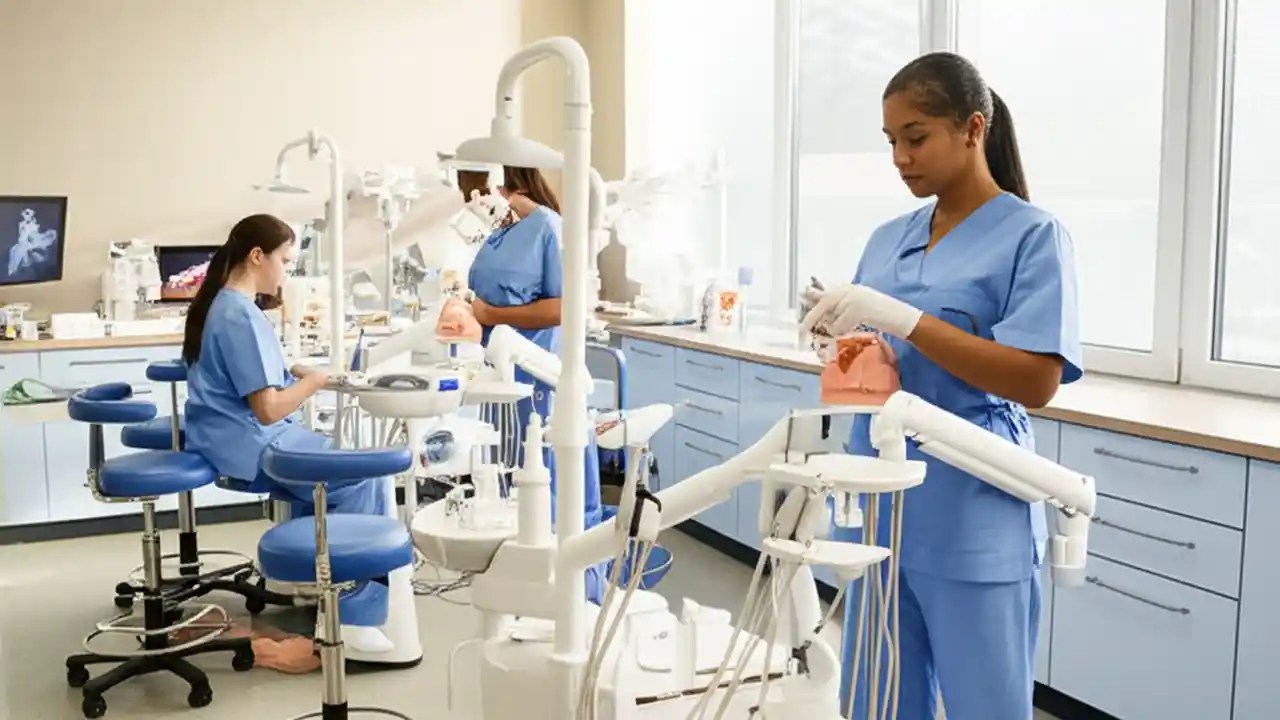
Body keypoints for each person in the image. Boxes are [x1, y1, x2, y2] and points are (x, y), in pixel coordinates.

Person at [801, 52, 1083, 720]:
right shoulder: (886, 240)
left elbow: (1036, 378)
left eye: (916, 136)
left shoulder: (1032, 237)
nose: (901, 157)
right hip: (883, 501)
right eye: (891, 141)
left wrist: (908, 320)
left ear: (973, 128)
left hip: (973, 506)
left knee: (984, 703)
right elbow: (880, 367)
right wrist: (839, 340)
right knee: (879, 696)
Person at [182, 214, 395, 653]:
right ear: (257, 256)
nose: (287, 271)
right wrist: (314, 381)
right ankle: (353, 616)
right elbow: (267, 408)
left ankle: (313, 584)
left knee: (335, 461)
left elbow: (249, 379)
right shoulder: (241, 315)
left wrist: (291, 369)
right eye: (286, 260)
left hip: (222, 435)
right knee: (366, 476)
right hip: (253, 444)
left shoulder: (223, 305)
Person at [460, 166, 607, 604]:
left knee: (550, 482)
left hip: (539, 371)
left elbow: (564, 308)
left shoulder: (546, 226)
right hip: (500, 376)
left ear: (489, 186)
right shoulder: (498, 229)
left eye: (470, 194)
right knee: (506, 484)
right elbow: (488, 297)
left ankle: (572, 596)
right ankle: (521, 592)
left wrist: (489, 317)